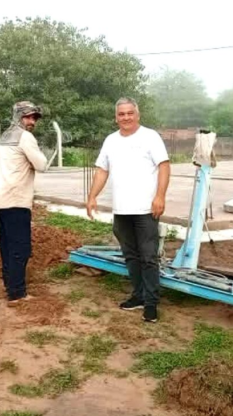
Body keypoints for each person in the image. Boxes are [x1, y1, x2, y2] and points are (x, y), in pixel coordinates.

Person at [86, 97, 171, 322]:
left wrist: (160, 196)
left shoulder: (150, 137)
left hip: (145, 209)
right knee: (131, 255)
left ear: (137, 114)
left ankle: (151, 304)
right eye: (121, 114)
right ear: (116, 118)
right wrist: (92, 196)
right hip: (121, 210)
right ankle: (139, 295)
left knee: (148, 257)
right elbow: (102, 170)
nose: (126, 117)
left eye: (130, 113)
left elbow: (164, 166)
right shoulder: (111, 141)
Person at [0, 101, 48, 306]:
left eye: (34, 118)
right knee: (20, 248)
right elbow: (42, 164)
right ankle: (17, 293)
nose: (32, 121)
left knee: (7, 246)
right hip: (16, 200)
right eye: (28, 117)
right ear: (18, 117)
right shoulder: (25, 137)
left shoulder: (3, 138)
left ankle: (10, 285)